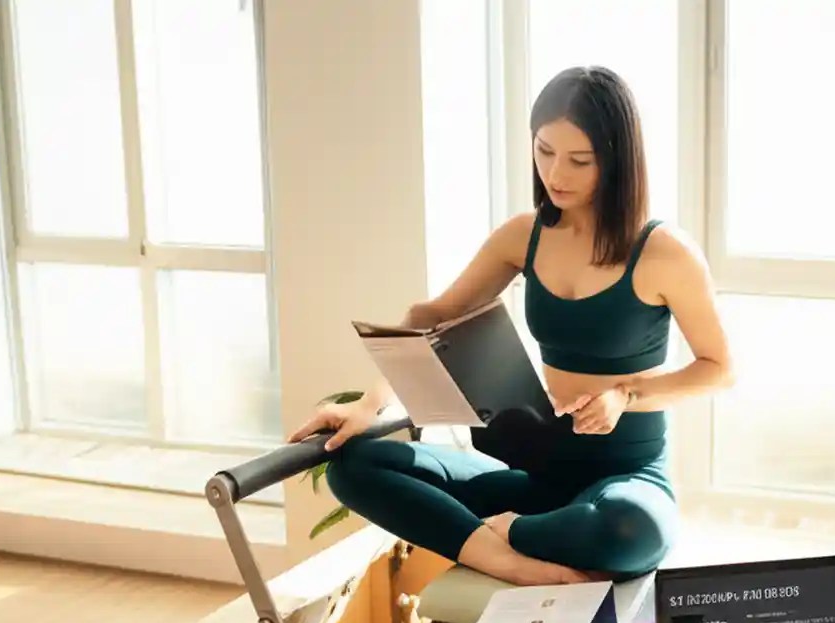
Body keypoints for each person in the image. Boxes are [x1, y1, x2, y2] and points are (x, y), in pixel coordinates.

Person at [289, 66, 734, 586]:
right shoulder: (523, 236)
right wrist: (370, 404)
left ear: (617, 160)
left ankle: (513, 532)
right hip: (539, 471)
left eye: (579, 160)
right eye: (544, 152)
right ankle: (507, 558)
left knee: (629, 532)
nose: (556, 175)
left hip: (625, 476)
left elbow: (719, 368)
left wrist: (625, 396)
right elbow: (430, 318)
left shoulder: (664, 253)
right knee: (354, 464)